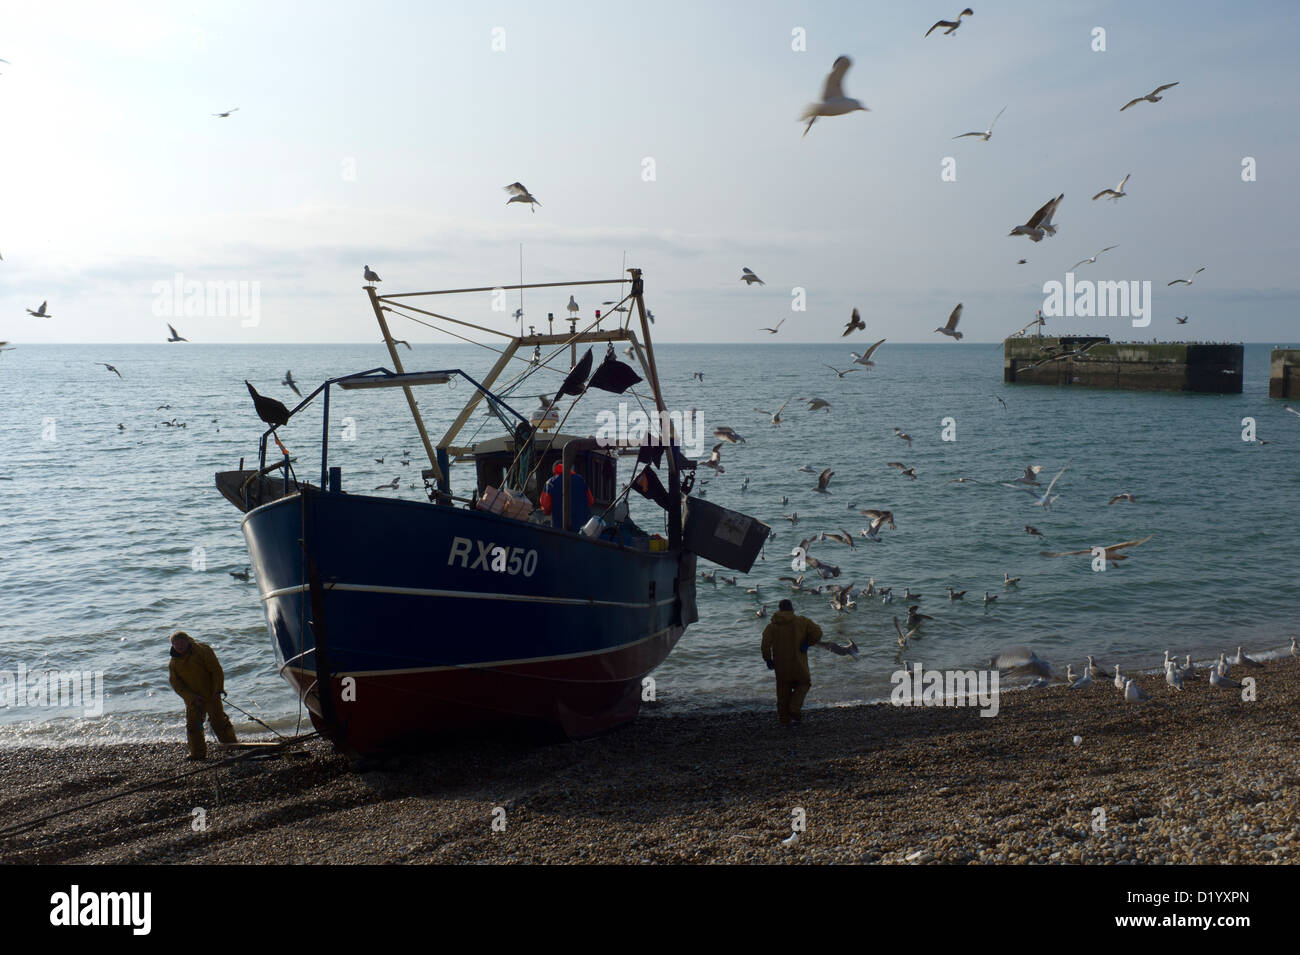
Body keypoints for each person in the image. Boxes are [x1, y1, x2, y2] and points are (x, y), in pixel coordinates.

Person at [168, 630, 238, 759]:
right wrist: (192, 698)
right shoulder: (173, 663)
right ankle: (197, 754)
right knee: (193, 727)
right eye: (176, 644)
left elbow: (216, 670)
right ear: (172, 645)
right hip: (194, 700)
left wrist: (218, 689)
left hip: (211, 695)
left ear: (188, 640)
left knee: (220, 724)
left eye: (182, 643)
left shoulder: (202, 650)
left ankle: (233, 748)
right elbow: (177, 686)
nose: (180, 646)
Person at [760, 599, 824, 725]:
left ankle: (784, 720)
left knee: (783, 692)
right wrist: (807, 643)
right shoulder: (802, 621)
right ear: (792, 609)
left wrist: (768, 659)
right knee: (804, 684)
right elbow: (818, 633)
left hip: (781, 665)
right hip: (798, 663)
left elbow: (765, 645)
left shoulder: (772, 626)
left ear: (779, 610)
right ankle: (794, 708)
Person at [539, 461, 593, 532]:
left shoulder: (550, 483)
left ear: (554, 469)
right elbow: (591, 501)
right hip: (583, 529)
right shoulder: (581, 480)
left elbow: (546, 507)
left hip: (560, 529)